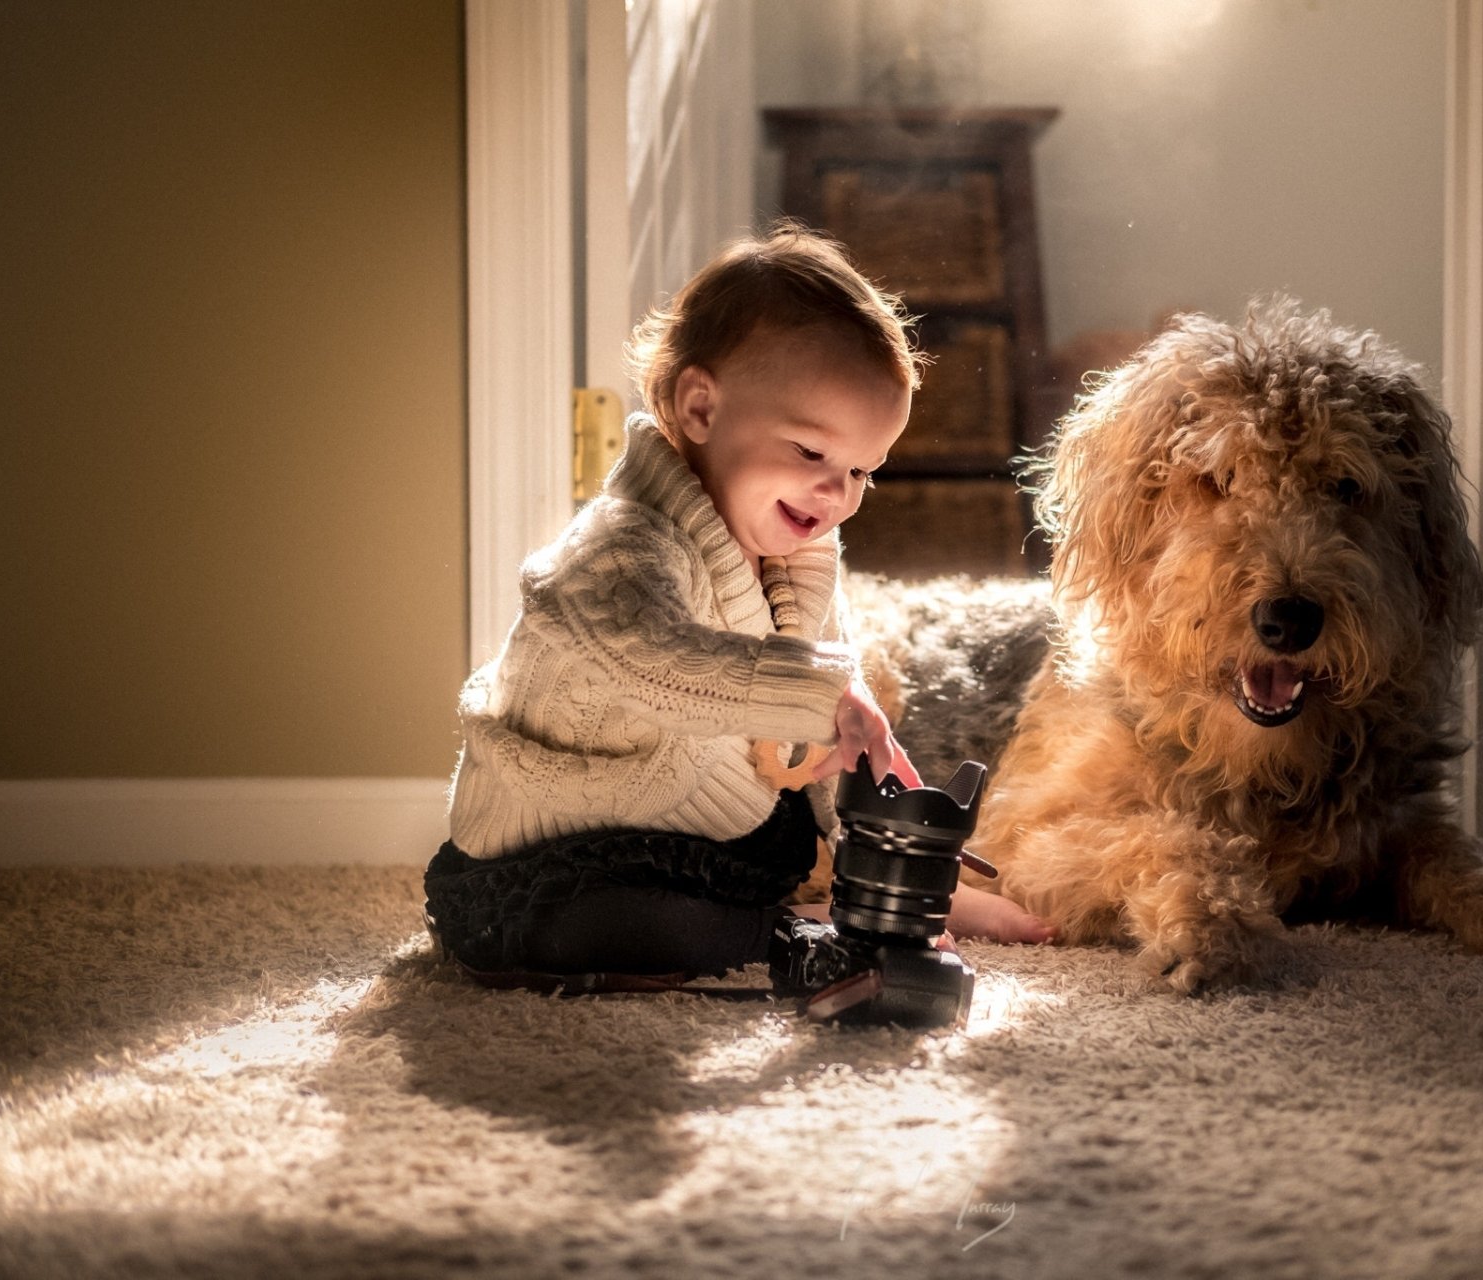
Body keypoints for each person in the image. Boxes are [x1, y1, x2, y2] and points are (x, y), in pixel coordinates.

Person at [425, 221, 1050, 987]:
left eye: (861, 471)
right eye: (812, 453)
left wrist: (889, 841)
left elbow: (818, 751)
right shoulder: (618, 548)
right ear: (699, 410)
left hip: (692, 835)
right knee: (600, 927)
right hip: (547, 859)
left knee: (790, 823)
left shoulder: (801, 559)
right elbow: (663, 667)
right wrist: (825, 694)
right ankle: (788, 935)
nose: (835, 494)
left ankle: (882, 905)